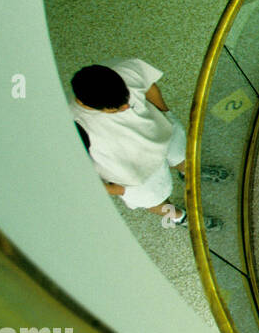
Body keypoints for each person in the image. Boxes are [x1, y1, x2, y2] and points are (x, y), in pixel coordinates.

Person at [70, 59, 226, 231]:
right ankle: (179, 217)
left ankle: (188, 172)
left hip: (161, 132)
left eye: (126, 99)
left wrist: (167, 114)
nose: (127, 106)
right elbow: (82, 175)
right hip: (137, 174)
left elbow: (149, 86)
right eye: (116, 108)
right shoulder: (75, 129)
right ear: (86, 104)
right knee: (154, 200)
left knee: (182, 156)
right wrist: (119, 190)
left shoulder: (125, 71)